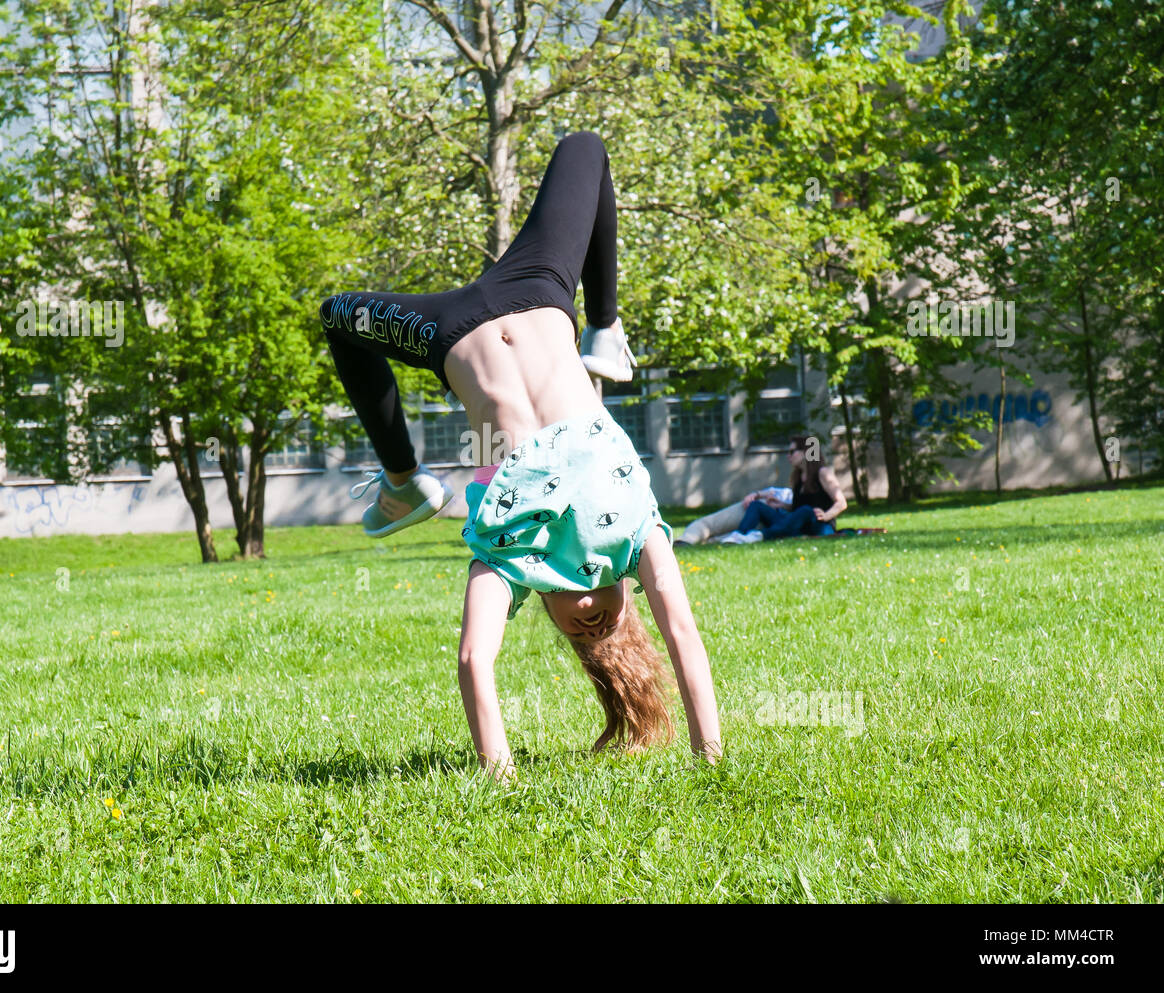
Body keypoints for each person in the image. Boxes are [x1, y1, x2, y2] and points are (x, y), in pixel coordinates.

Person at [319, 131, 722, 781]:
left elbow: (476, 659)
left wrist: (498, 776)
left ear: (553, 619)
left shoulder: (514, 557)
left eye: (581, 632)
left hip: (449, 330)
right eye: (607, 621)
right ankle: (606, 330)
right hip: (539, 290)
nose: (590, 614)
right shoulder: (634, 533)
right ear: (627, 596)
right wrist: (713, 757)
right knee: (586, 147)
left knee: (338, 315)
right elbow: (681, 633)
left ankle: (404, 480)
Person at [722, 435, 848, 543]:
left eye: (792, 452)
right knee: (756, 505)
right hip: (798, 524)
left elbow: (841, 503)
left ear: (806, 452)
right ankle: (739, 535)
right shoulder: (798, 477)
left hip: (820, 526)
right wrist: (782, 505)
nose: (788, 456)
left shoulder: (823, 473)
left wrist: (826, 515)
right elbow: (797, 509)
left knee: (806, 510)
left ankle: (759, 536)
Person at [674, 485, 793, 546]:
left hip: (771, 518)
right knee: (708, 525)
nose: (789, 456)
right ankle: (685, 541)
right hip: (760, 508)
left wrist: (783, 506)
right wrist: (757, 494)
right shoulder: (797, 481)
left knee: (714, 534)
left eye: (793, 452)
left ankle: (690, 542)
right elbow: (776, 492)